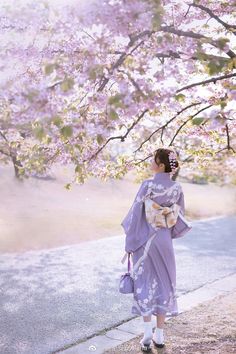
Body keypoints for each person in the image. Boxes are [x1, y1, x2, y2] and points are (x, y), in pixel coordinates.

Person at [121, 148, 192, 352]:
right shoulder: (177, 188)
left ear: (161, 165)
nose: (151, 162)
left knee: (144, 282)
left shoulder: (148, 185)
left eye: (154, 160)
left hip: (144, 240)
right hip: (164, 240)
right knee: (164, 282)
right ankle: (159, 334)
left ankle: (146, 333)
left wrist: (130, 242)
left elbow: (136, 213)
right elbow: (179, 215)